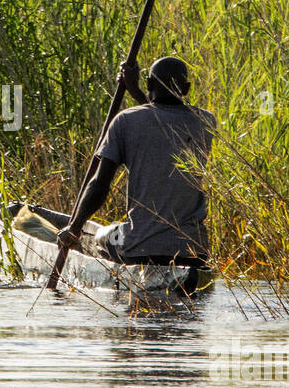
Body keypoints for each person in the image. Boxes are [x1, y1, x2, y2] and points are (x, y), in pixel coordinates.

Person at [56, 56, 216, 267]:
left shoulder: (125, 121)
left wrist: (74, 228)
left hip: (139, 247)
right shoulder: (205, 122)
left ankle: (116, 275)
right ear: (186, 89)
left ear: (149, 84)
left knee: (102, 235)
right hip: (192, 251)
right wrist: (135, 92)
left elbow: (99, 186)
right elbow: (162, 123)